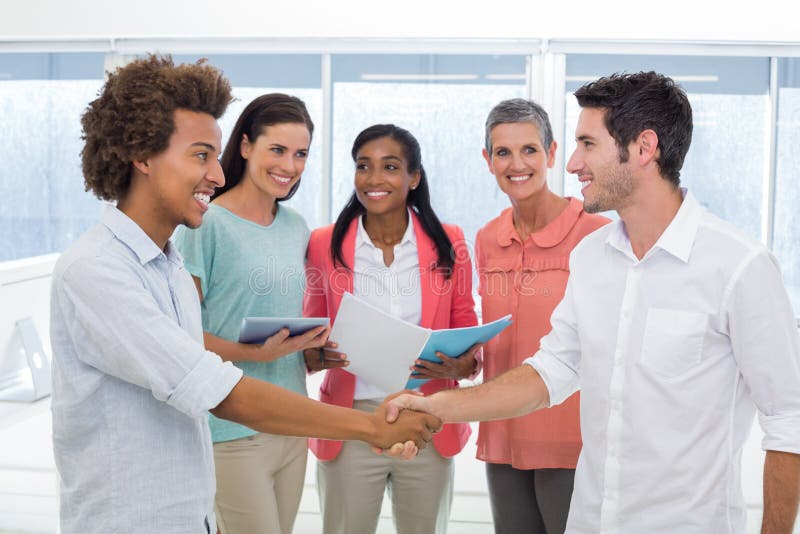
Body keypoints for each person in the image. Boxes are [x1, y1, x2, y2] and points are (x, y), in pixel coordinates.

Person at [387, 71, 800, 533]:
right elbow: (552, 371)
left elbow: (789, 420)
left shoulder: (739, 266)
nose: (572, 164)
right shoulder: (591, 258)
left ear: (644, 148)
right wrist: (435, 408)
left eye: (588, 143)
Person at [49, 55, 440, 534]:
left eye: (215, 156)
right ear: (143, 156)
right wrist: (371, 427)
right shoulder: (97, 272)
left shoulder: (167, 265)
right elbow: (216, 389)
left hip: (191, 509)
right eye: (200, 156)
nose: (216, 175)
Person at [303, 123, 481, 534]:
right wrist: (314, 354)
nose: (374, 179)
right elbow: (311, 335)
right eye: (363, 166)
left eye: (389, 166)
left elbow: (467, 324)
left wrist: (465, 365)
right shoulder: (323, 243)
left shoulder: (449, 242)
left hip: (428, 417)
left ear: (413, 177)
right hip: (349, 420)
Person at [173, 93, 324, 534]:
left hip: (293, 418)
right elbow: (180, 335)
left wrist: (311, 349)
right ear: (244, 147)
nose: (290, 166)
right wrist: (252, 354)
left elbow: (283, 315)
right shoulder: (207, 224)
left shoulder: (296, 227)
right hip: (230, 425)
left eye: (300, 154)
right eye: (277, 150)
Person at [475, 98, 608, 534]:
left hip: (571, 442)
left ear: (551, 154)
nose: (517, 164)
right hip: (502, 435)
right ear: (488, 160)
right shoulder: (487, 239)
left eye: (529, 150)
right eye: (503, 152)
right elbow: (499, 334)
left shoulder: (596, 233)